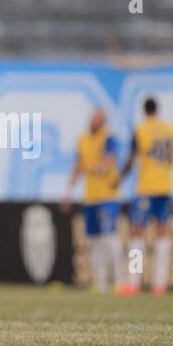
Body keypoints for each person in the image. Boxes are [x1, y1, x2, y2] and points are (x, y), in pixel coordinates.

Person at [118, 97, 173, 295]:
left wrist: (119, 178)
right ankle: (159, 284)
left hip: (146, 188)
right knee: (162, 233)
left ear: (145, 111)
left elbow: (130, 159)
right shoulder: (171, 130)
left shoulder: (141, 130)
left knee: (137, 232)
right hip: (166, 187)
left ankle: (134, 283)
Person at [61, 109, 123, 294]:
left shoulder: (109, 138)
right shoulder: (83, 140)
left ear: (102, 121)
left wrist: (95, 167)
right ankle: (100, 283)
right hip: (90, 198)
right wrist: (68, 192)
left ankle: (120, 281)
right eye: (91, 118)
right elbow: (78, 167)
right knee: (93, 241)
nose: (91, 121)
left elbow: (108, 163)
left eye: (95, 119)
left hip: (107, 197)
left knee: (110, 239)